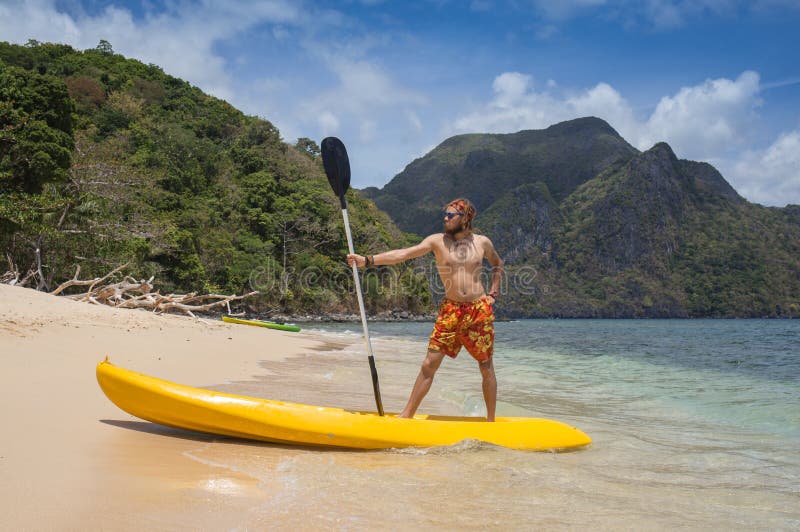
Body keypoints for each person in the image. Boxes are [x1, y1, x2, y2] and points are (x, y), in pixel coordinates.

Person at [347, 198, 504, 421]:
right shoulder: (437, 241)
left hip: (478, 311)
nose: (446, 218)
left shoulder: (482, 243)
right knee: (429, 364)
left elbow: (498, 264)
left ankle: (491, 422)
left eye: (451, 215)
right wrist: (368, 260)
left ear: (466, 218)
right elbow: (404, 254)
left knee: (486, 365)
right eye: (446, 215)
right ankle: (406, 415)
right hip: (451, 310)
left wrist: (492, 294)